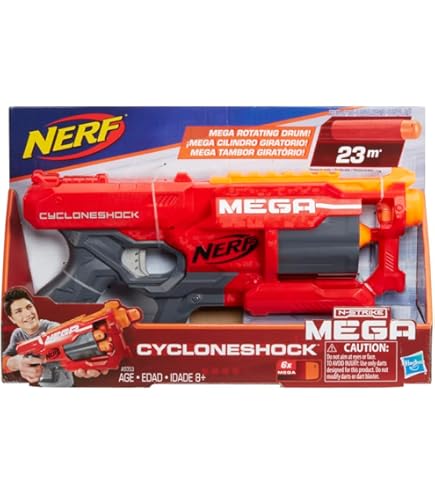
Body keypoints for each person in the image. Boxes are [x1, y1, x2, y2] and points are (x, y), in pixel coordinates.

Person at [2, 287, 106, 386]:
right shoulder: (18, 334)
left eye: (29, 307)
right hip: (41, 387)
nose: (27, 314)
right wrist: (17, 362)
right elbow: (3, 362)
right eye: (18, 311)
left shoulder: (52, 328)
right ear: (12, 319)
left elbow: (72, 339)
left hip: (66, 386)